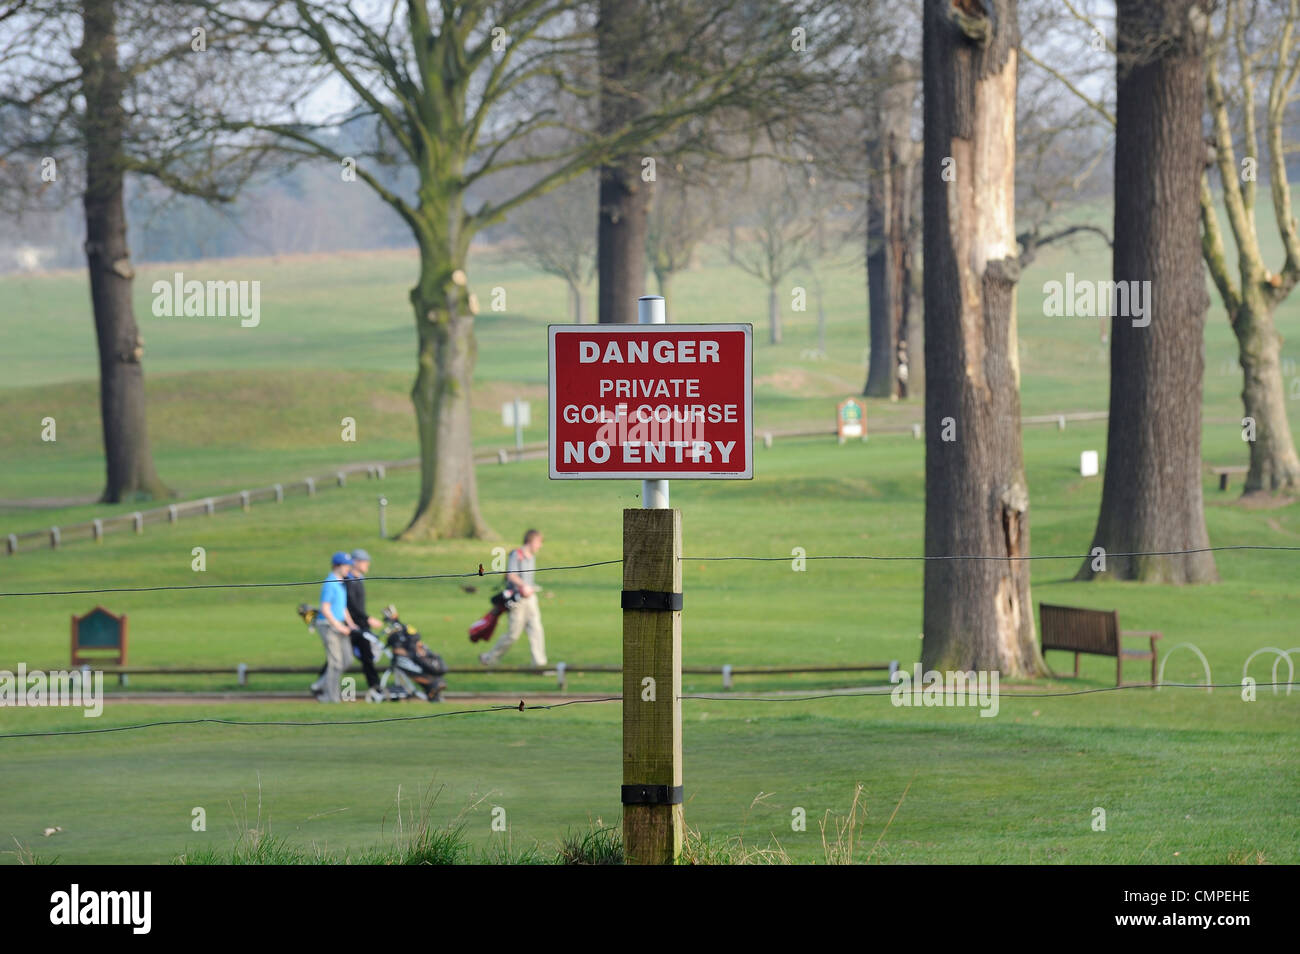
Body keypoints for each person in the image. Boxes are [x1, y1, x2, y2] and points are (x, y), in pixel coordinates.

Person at [479, 529, 547, 668]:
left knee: (536, 630)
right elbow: (511, 575)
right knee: (513, 634)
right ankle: (489, 658)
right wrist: (523, 586)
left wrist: (531, 588)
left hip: (530, 599)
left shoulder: (531, 557)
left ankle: (539, 664)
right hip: (518, 600)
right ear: (531, 541)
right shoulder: (517, 554)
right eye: (539, 542)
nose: (540, 546)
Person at [312, 552, 355, 702]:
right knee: (335, 661)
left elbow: (342, 608)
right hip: (328, 626)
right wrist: (339, 626)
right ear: (337, 566)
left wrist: (350, 624)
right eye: (346, 566)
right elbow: (325, 608)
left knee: (347, 659)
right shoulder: (330, 582)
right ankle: (331, 697)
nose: (348, 569)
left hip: (340, 625)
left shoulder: (341, 582)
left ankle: (321, 684)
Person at [345, 549, 385, 703]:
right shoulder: (348, 580)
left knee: (360, 655)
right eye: (365, 561)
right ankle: (375, 686)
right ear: (355, 562)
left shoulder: (359, 578)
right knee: (364, 655)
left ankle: (375, 685)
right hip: (353, 625)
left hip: (360, 623)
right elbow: (351, 606)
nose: (367, 565)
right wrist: (367, 619)